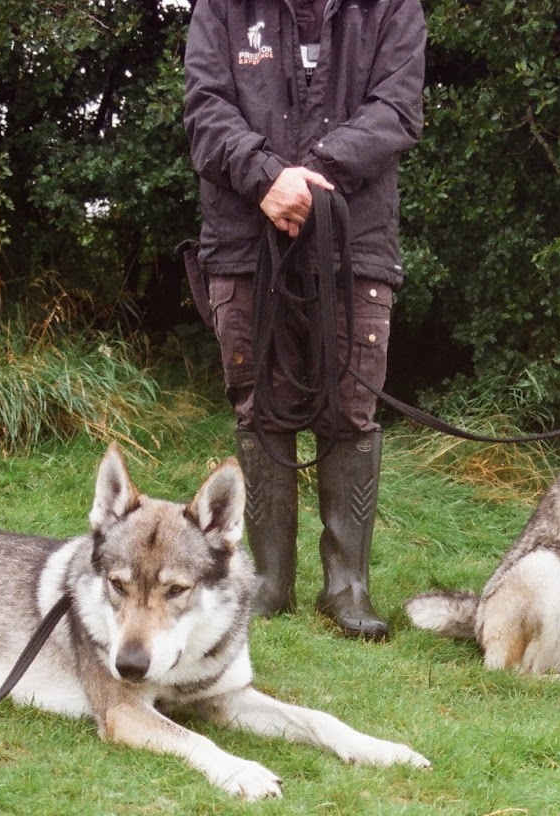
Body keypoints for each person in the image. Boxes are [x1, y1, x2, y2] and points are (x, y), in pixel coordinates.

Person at [183, 0, 426, 641]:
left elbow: (398, 109)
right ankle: (267, 580)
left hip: (355, 245)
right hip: (243, 242)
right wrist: (265, 178)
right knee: (260, 404)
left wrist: (310, 180)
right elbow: (206, 110)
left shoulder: (392, 9)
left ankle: (347, 586)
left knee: (351, 407)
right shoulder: (222, 8)